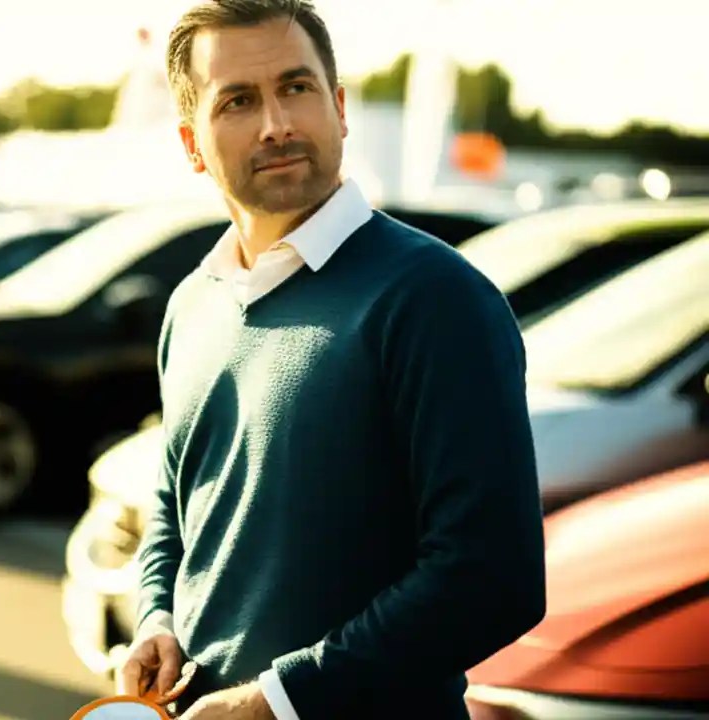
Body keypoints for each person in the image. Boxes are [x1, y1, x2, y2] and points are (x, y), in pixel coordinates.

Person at [121, 2, 546, 717]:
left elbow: (491, 581)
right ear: (193, 144)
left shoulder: (434, 297)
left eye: (296, 87)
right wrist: (155, 617)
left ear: (339, 108)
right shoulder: (193, 304)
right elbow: (174, 503)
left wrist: (281, 701)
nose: (277, 124)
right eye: (239, 101)